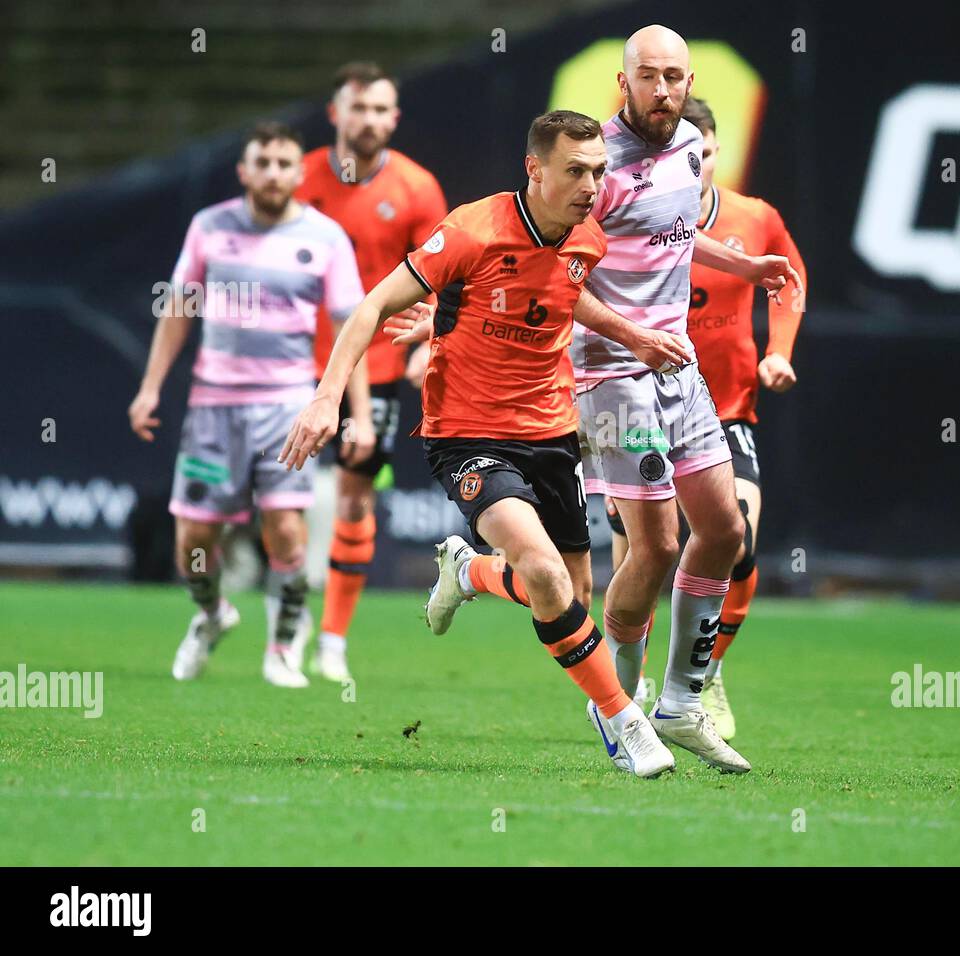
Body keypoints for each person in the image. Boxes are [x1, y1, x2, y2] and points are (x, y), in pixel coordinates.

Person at [280, 111, 693, 778]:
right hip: (467, 434)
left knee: (569, 597)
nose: (592, 185)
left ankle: (469, 571)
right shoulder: (472, 230)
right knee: (544, 571)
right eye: (575, 171)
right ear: (535, 169)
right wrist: (328, 396)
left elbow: (565, 292)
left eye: (597, 171)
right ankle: (625, 723)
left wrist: (635, 337)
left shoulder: (586, 235)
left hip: (552, 431)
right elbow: (370, 307)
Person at [569, 25, 801, 774]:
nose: (663, 90)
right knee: (656, 545)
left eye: (675, 77)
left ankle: (678, 702)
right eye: (649, 77)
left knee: (724, 532)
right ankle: (616, 707)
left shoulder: (687, 151)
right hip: (611, 376)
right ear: (623, 80)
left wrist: (745, 261)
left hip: (679, 369)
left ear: (690, 79)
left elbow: (674, 237)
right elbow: (557, 279)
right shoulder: (593, 168)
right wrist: (633, 338)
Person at [128, 121, 369, 688]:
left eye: (285, 164)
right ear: (243, 170)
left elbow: (351, 328)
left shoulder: (325, 237)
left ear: (298, 172)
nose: (273, 173)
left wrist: (353, 412)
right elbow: (179, 309)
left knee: (285, 528)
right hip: (213, 408)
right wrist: (149, 387)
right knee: (193, 541)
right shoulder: (209, 228)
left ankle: (284, 642)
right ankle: (212, 614)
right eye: (262, 162)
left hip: (286, 405)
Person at [295, 61, 449, 682]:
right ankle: (287, 611)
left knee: (355, 495)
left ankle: (331, 638)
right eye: (358, 108)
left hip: (376, 365)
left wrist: (423, 344)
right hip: (289, 361)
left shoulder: (415, 189)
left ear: (395, 118)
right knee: (276, 496)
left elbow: (442, 276)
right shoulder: (297, 179)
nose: (370, 120)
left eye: (381, 109)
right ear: (336, 113)